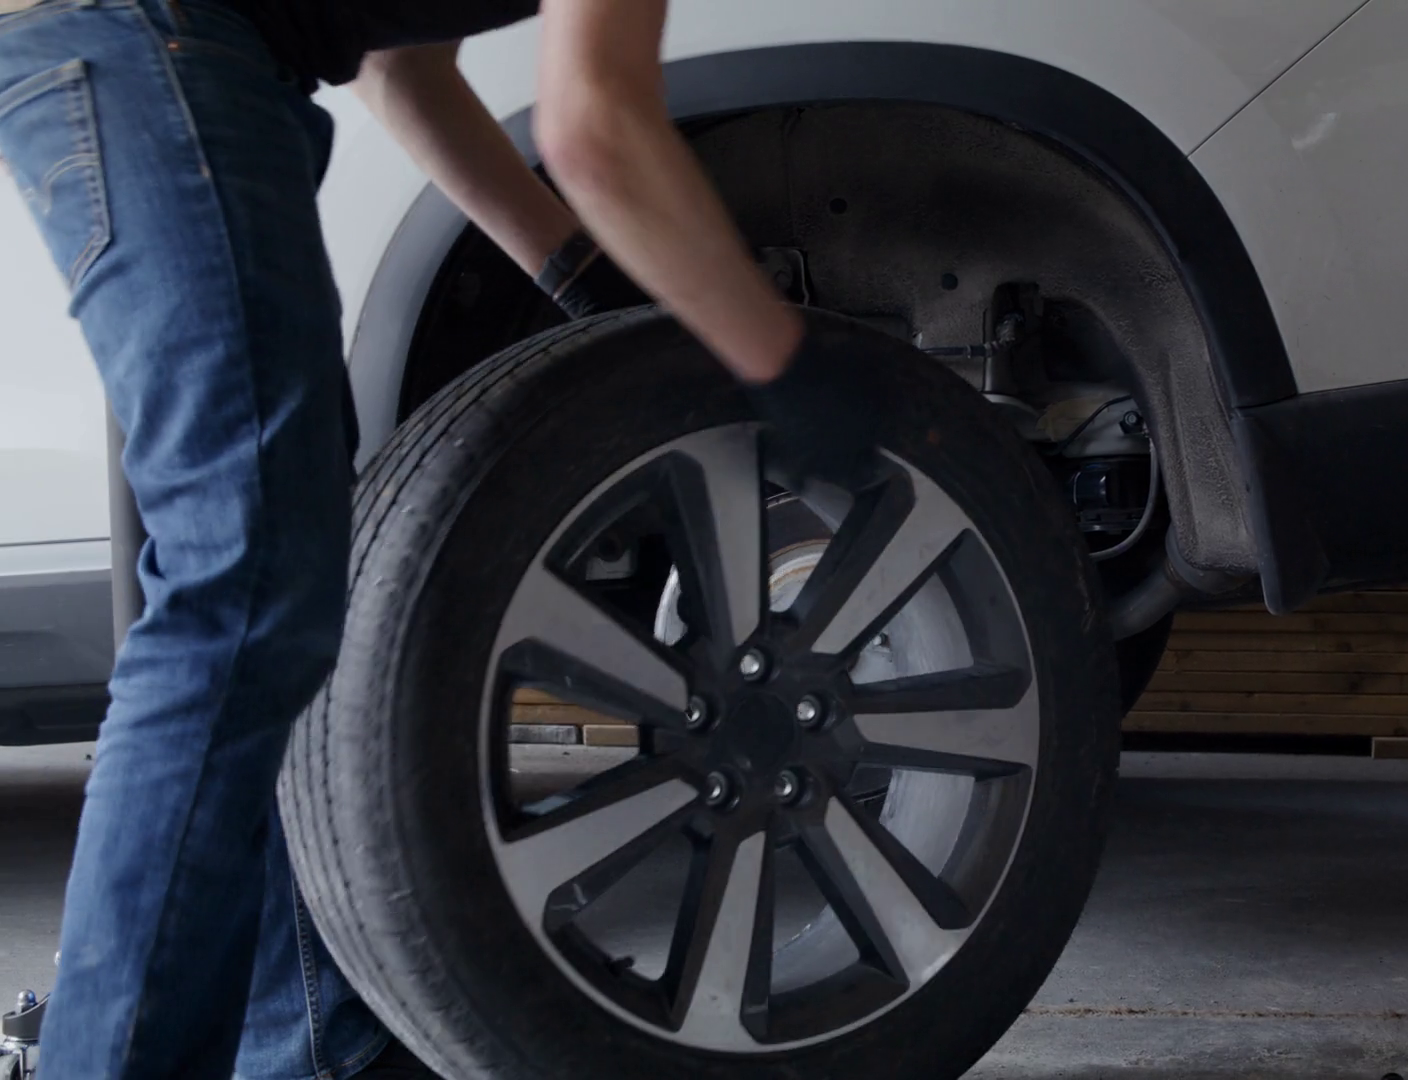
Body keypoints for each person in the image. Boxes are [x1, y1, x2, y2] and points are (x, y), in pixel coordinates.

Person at [0, 0, 879, 1076]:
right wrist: (780, 361)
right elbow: (594, 129)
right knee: (241, 586)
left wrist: (582, 280)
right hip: (142, 40)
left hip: (175, 55)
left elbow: (401, 72)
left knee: (274, 582)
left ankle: (313, 1043)